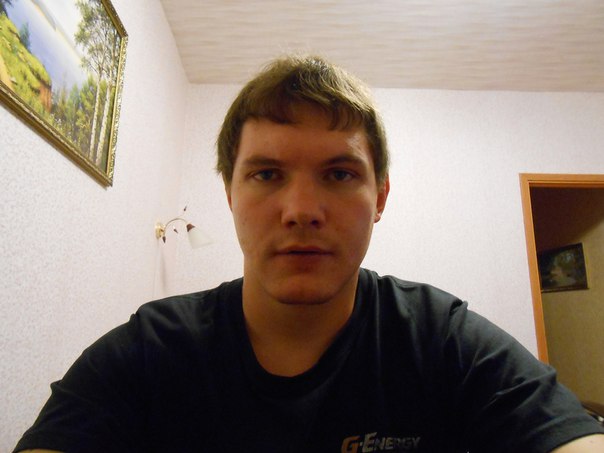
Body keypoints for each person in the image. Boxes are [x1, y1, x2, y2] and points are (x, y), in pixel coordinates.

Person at [14, 55, 604, 453]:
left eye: (340, 173)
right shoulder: (149, 352)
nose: (301, 210)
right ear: (230, 196)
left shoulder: (442, 339)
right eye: (267, 174)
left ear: (380, 198)